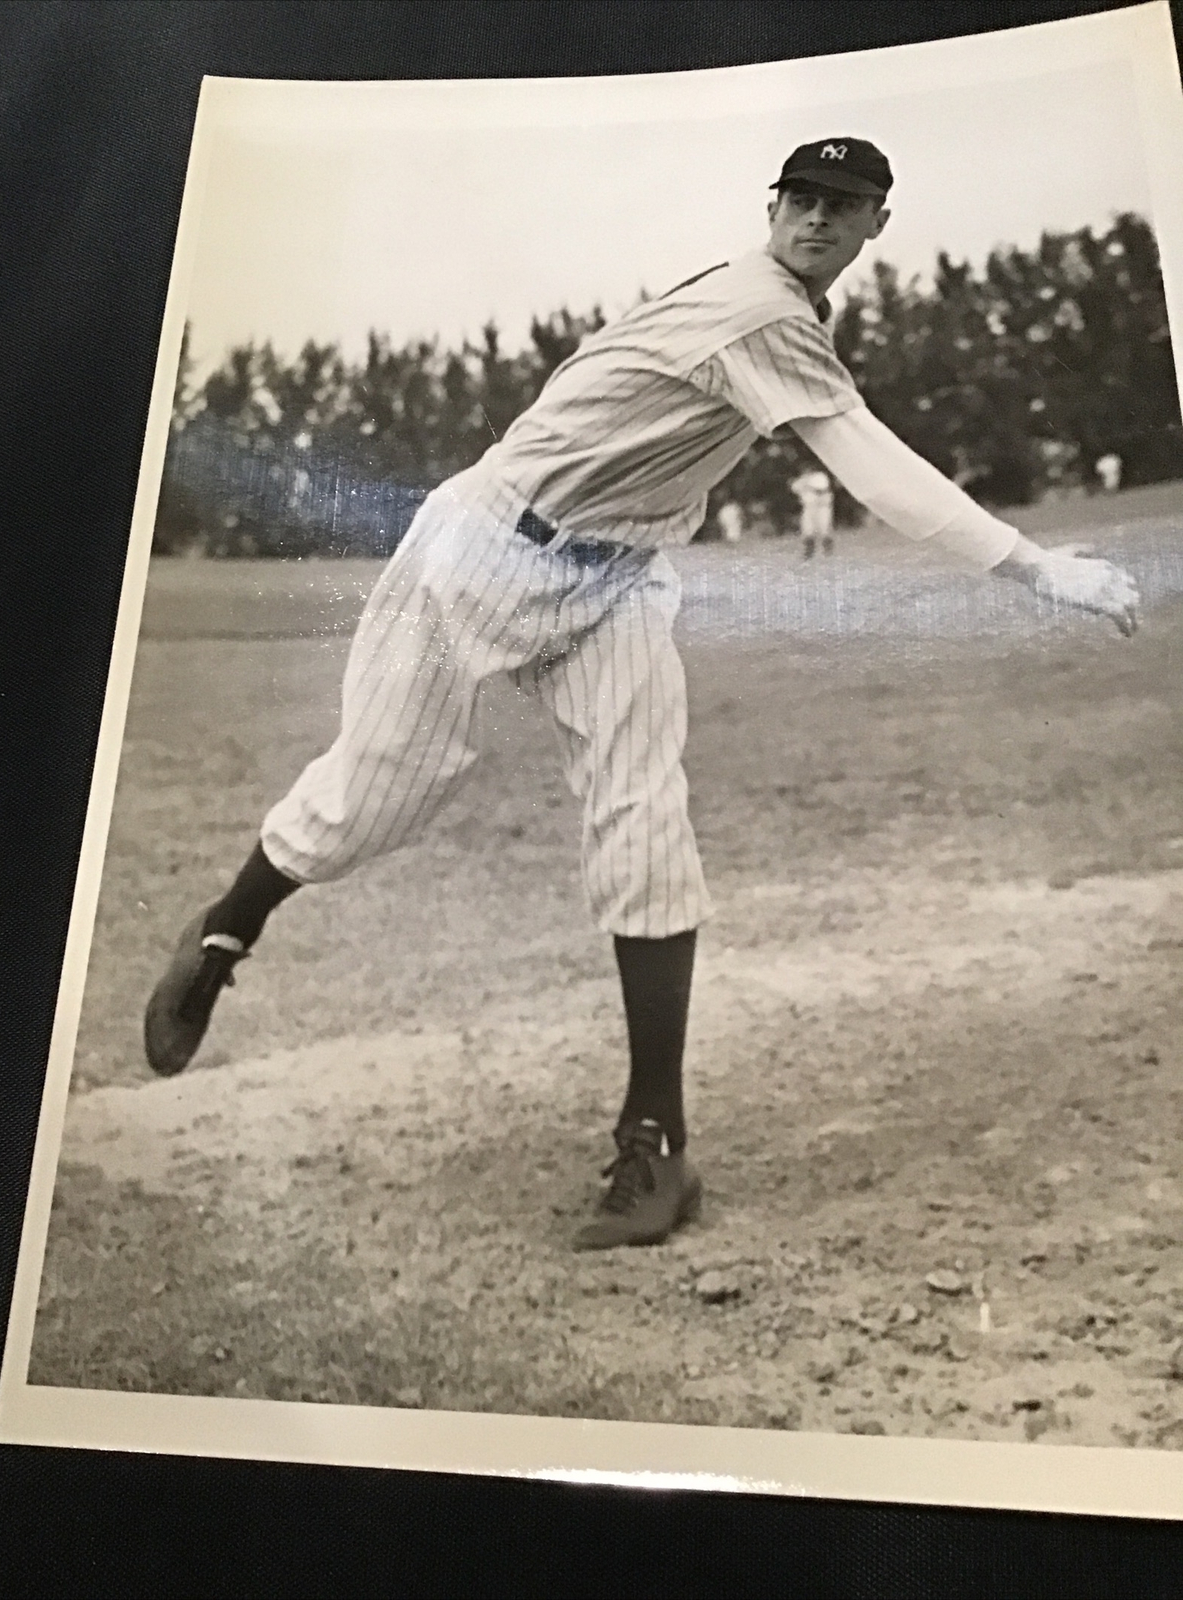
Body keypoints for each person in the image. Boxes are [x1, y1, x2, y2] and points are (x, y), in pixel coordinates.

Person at [145, 137, 1139, 1251]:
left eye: (844, 204)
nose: (818, 218)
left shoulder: (789, 317)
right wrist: (1039, 565)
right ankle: (225, 935)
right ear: (773, 208)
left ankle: (654, 1137)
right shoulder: (758, 307)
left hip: (617, 575)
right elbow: (876, 470)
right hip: (483, 552)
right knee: (374, 798)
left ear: (876, 226)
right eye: (802, 198)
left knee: (646, 822)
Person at [792, 465, 835, 557]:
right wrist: (804, 483)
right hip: (808, 507)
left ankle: (827, 550)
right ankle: (809, 551)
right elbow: (794, 487)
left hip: (822, 507)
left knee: (824, 528)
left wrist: (808, 486)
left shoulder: (820, 476)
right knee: (807, 529)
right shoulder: (802, 479)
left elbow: (822, 488)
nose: (806, 470)